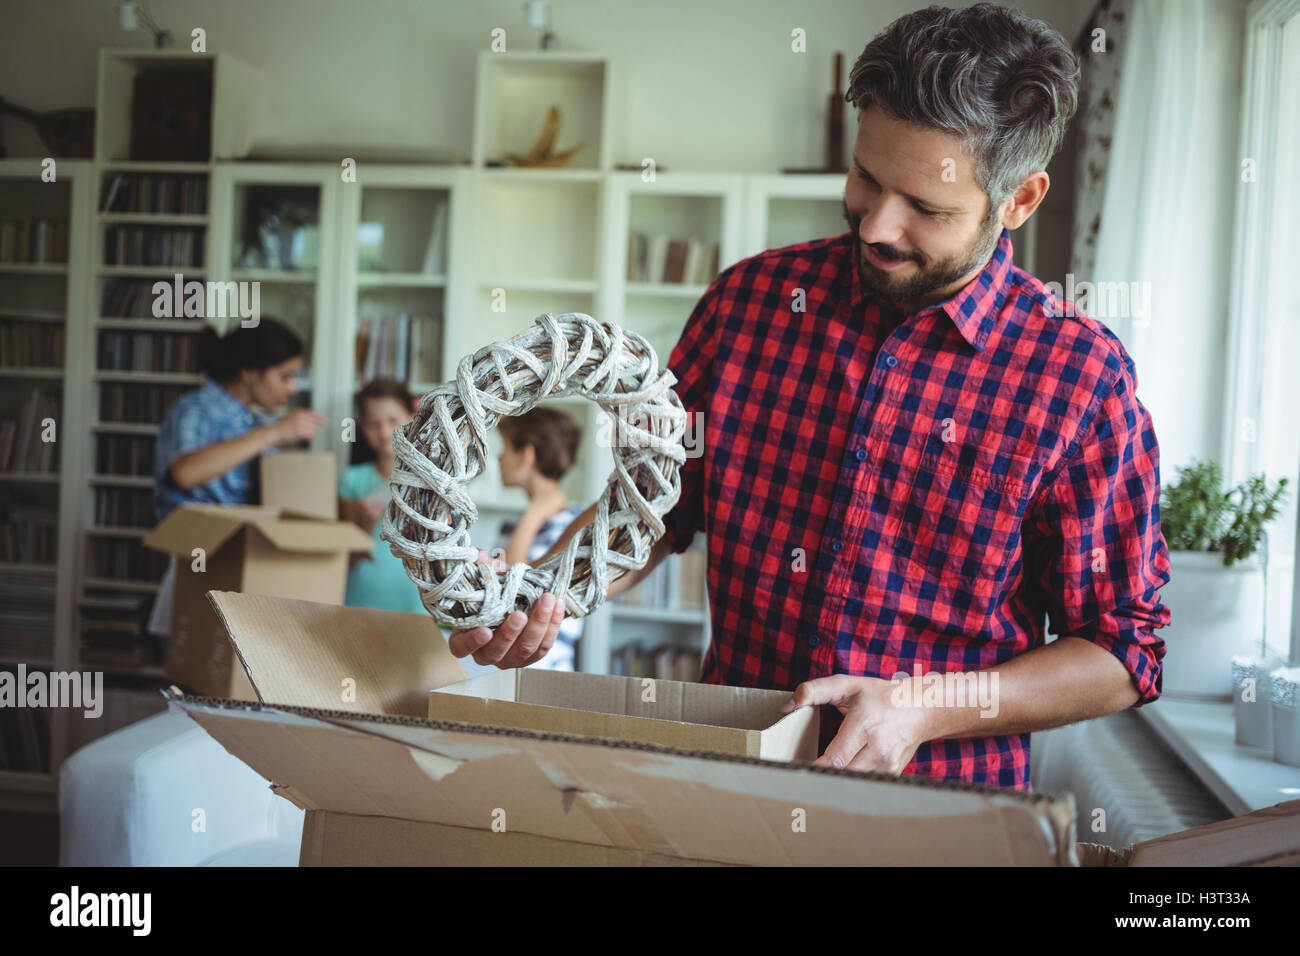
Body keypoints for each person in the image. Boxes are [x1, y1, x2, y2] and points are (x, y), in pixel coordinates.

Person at [448, 3, 1171, 792]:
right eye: (867, 178)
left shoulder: (1081, 377)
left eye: (926, 208)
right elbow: (655, 510)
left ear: (1020, 201)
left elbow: (1122, 650)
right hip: (728, 778)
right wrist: (541, 598)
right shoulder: (748, 303)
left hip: (940, 812)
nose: (877, 227)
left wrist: (925, 706)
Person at [148, 318, 325, 636]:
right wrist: (274, 432)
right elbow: (186, 473)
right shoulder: (196, 410)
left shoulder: (254, 423)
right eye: (284, 376)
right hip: (200, 565)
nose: (293, 387)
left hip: (245, 563)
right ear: (248, 372)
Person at [490, 408, 585, 670]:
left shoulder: (571, 525)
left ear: (526, 455)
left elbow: (519, 593)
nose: (498, 458)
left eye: (506, 448)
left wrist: (534, 514)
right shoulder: (514, 526)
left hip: (545, 673)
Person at [337, 378, 426, 614]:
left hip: (415, 604)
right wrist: (363, 526)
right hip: (360, 601)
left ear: (412, 418)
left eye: (393, 421)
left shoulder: (430, 482)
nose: (384, 431)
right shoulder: (352, 480)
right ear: (363, 427)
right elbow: (345, 557)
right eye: (373, 423)